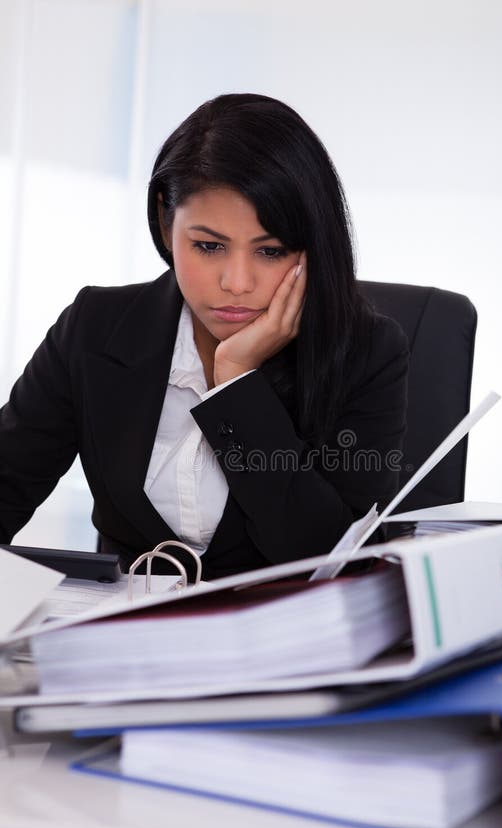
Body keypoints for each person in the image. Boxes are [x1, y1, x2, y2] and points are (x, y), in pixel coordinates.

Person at [0, 93, 408, 581]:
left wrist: (236, 387)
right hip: (123, 640)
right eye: (209, 246)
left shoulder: (366, 354)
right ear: (165, 221)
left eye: (271, 251)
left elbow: (331, 562)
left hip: (290, 646)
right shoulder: (95, 327)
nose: (236, 281)